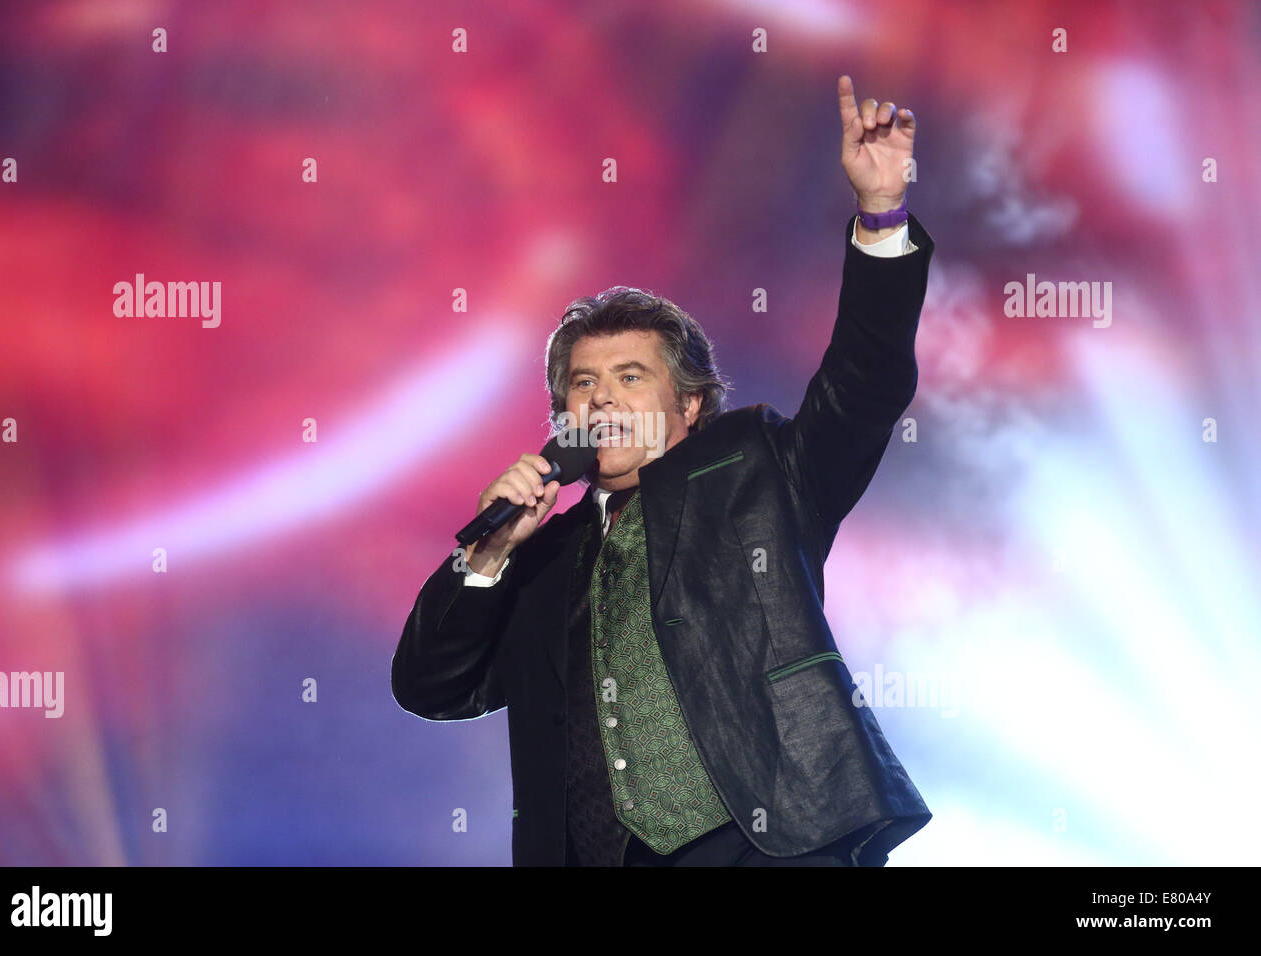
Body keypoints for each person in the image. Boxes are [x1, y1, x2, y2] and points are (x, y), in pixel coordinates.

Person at [392, 76, 934, 866]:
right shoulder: (537, 562)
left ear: (690, 408)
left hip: (769, 843)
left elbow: (867, 380)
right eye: (583, 383)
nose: (602, 395)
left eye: (630, 377)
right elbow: (431, 688)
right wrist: (484, 562)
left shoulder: (760, 476)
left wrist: (881, 217)